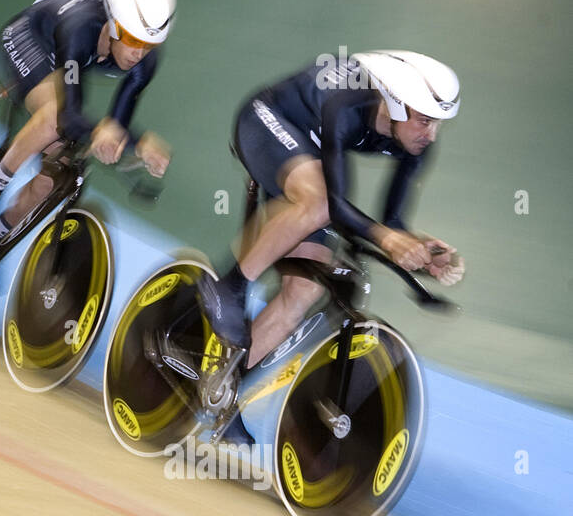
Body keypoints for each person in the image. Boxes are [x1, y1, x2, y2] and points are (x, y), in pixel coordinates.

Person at [197, 50, 467, 411]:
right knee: (319, 203)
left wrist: (418, 250)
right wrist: (387, 238)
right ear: (397, 105)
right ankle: (228, 287)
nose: (431, 135)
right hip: (266, 120)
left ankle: (218, 397)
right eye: (424, 121)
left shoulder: (416, 143)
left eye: (438, 124)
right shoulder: (349, 103)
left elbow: (392, 224)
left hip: (310, 151)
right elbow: (337, 207)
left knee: (303, 291)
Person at [0, 0, 177, 255]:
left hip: (66, 62)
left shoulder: (145, 61)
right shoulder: (81, 28)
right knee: (54, 118)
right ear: (113, 25)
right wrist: (136, 140)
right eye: (131, 39)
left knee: (54, 180)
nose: (138, 53)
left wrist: (138, 146)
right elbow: (70, 115)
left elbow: (114, 126)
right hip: (28, 40)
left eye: (149, 45)